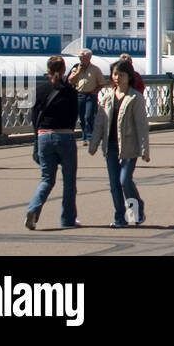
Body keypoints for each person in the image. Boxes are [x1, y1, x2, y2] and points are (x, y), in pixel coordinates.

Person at [90, 59, 150, 227]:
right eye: (115, 74)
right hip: (110, 145)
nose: (117, 78)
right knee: (114, 183)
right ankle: (120, 217)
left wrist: (145, 150)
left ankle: (137, 208)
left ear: (129, 77)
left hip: (129, 145)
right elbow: (100, 122)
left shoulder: (135, 98)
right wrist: (94, 144)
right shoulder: (107, 97)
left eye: (121, 75)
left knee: (124, 180)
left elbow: (141, 125)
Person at [26, 55, 80, 230]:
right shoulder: (70, 91)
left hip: (43, 137)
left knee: (47, 179)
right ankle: (68, 219)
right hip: (65, 136)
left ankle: (34, 209)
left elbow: (33, 118)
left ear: (47, 71)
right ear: (64, 70)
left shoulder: (39, 90)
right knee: (69, 181)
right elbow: (74, 116)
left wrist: (37, 139)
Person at [67, 49, 105, 146]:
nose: (81, 59)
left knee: (88, 116)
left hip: (90, 95)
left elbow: (102, 83)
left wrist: (95, 91)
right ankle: (85, 137)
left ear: (88, 58)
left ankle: (90, 137)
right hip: (79, 94)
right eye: (80, 58)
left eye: (82, 57)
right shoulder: (76, 68)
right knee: (82, 118)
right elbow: (70, 80)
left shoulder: (95, 69)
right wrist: (78, 72)